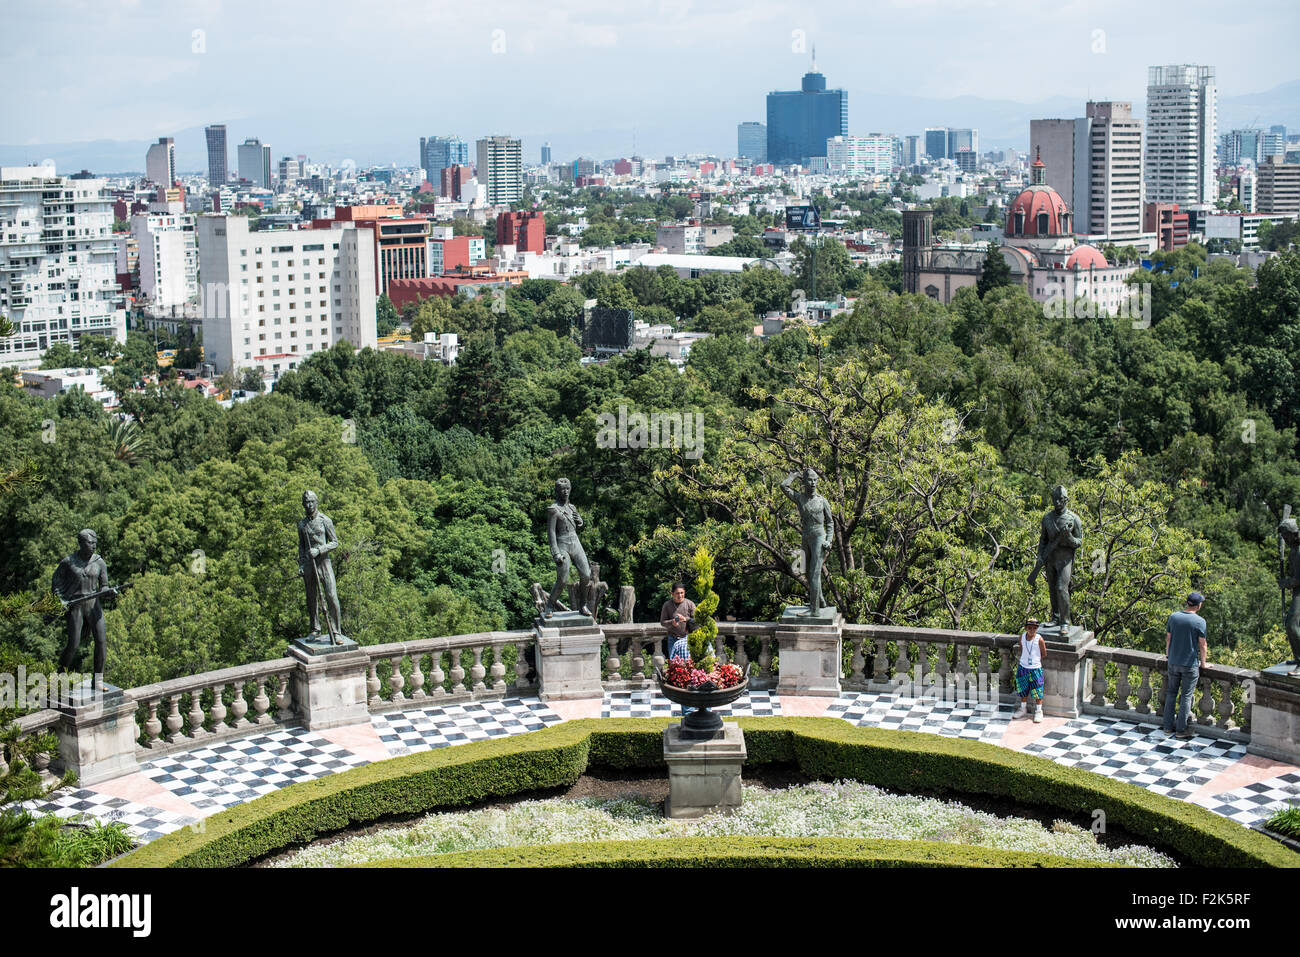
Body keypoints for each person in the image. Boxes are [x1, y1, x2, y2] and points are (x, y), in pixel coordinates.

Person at [52, 529, 118, 689]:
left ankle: (99, 679)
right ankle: (59, 677)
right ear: (81, 543)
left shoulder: (99, 562)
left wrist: (109, 592)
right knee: (73, 644)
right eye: (90, 543)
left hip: (94, 605)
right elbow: (56, 583)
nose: (93, 546)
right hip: (76, 606)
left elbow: (103, 586)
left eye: (95, 543)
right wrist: (61, 600)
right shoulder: (68, 562)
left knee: (101, 641)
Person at [780, 468, 835, 615]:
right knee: (806, 572)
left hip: (819, 537)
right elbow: (783, 487)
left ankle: (815, 610)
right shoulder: (800, 498)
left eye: (815, 480)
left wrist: (829, 540)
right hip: (805, 537)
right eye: (810, 480)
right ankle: (820, 601)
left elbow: (830, 523)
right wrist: (793, 476)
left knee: (815, 572)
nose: (813, 483)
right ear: (804, 482)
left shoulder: (823, 501)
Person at [298, 490, 343, 642]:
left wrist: (319, 550)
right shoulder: (302, 525)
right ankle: (315, 628)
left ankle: (336, 631)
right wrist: (302, 564)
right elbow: (302, 547)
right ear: (304, 505)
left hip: (324, 562)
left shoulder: (325, 520)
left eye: (312, 502)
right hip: (310, 565)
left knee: (331, 596)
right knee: (311, 598)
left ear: (316, 502)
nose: (309, 505)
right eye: (306, 503)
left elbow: (335, 542)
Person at [1162, 592, 1207, 739]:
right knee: (1186, 696)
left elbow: (1168, 638)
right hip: (1189, 664)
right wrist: (1204, 664)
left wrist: (1168, 655)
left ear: (1187, 603)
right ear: (1198, 605)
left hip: (1173, 661)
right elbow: (1202, 645)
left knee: (1171, 693)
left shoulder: (1173, 617)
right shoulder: (1200, 621)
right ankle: (1181, 730)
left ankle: (1167, 727)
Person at [546, 477, 592, 616]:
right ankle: (550, 605)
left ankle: (582, 605)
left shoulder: (572, 507)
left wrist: (581, 522)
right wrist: (555, 553)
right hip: (562, 544)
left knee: (586, 575)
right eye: (562, 489)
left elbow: (577, 523)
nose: (565, 492)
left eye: (567, 489)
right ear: (557, 491)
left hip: (575, 542)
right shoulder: (553, 510)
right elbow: (551, 532)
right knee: (563, 579)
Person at [1013, 618, 1046, 723]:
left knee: (1037, 690)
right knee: (1023, 689)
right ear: (1026, 628)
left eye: (1034, 628)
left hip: (1035, 668)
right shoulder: (1022, 637)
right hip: (1023, 667)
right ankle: (1023, 708)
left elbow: (1044, 653)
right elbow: (1023, 649)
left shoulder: (1039, 639)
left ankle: (1039, 711)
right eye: (1029, 628)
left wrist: (1035, 660)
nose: (1032, 630)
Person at [660, 582, 696, 660]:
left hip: (688, 639)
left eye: (682, 593)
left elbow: (696, 620)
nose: (680, 595)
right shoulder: (667, 605)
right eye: (677, 593)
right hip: (673, 638)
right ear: (672, 593)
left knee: (690, 662)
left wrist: (685, 619)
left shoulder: (690, 604)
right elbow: (662, 622)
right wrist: (672, 622)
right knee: (674, 663)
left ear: (685, 592)